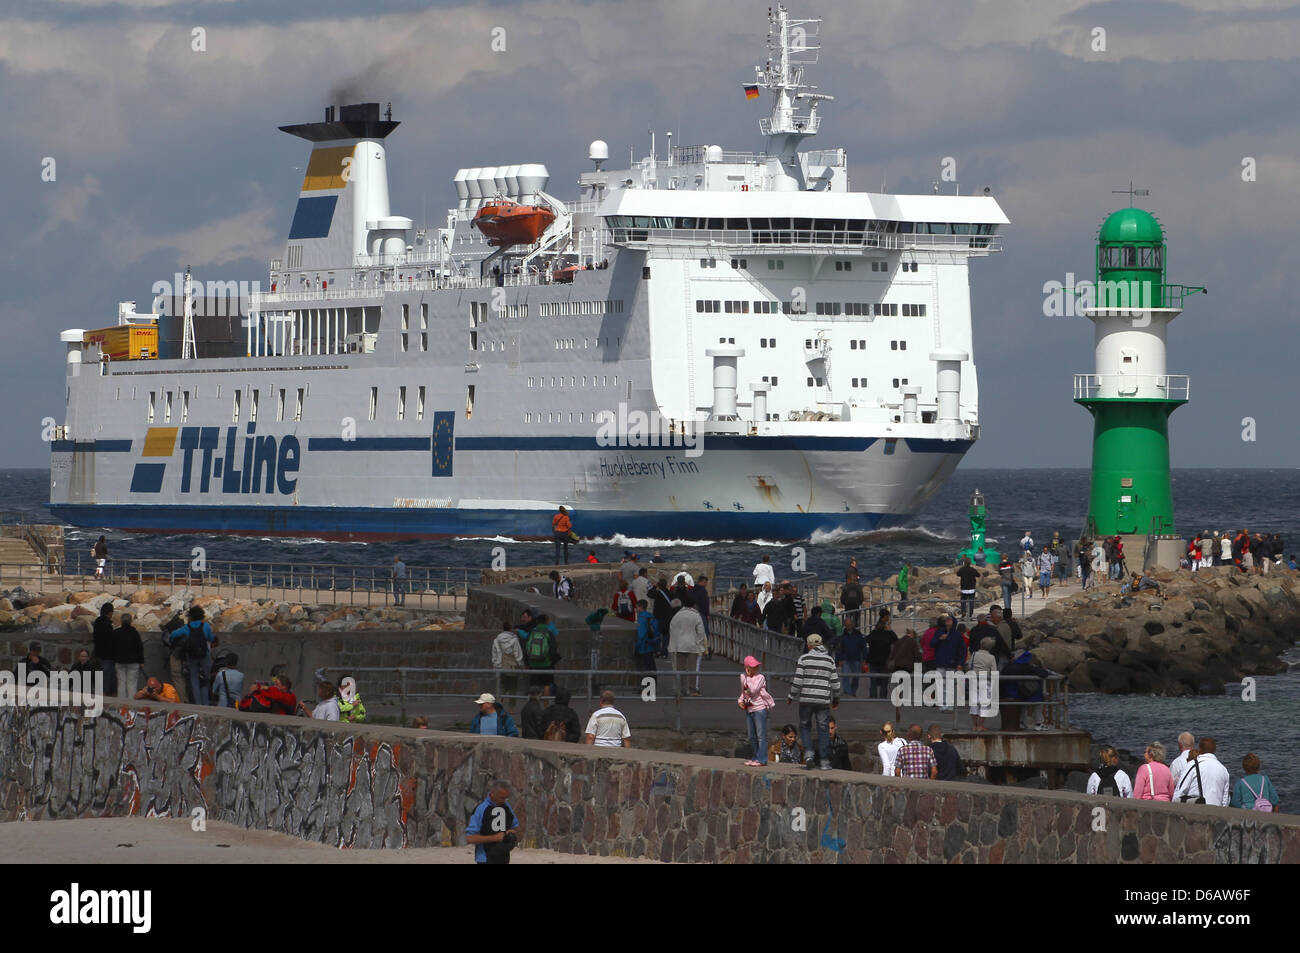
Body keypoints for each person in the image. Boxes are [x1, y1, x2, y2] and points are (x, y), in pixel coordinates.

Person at [787, 632, 840, 770]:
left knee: (805, 726)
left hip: (806, 700)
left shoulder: (803, 659)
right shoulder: (829, 660)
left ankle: (809, 755)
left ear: (809, 645)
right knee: (823, 729)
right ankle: (824, 761)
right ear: (821, 644)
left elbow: (798, 681)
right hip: (823, 701)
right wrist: (836, 699)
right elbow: (835, 683)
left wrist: (791, 696)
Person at [465, 780, 522, 865]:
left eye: (506, 798)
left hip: (504, 858)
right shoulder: (481, 809)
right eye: (501, 798)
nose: (504, 801)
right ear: (492, 794)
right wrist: (495, 837)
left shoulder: (506, 807)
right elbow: (470, 838)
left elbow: (516, 826)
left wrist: (512, 832)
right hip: (485, 859)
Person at [169, 605, 215, 706]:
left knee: (194, 680)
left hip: (192, 656)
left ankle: (197, 704)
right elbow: (211, 638)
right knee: (205, 680)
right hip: (204, 656)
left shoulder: (187, 627)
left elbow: (173, 635)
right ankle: (205, 703)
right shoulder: (205, 626)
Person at [738, 656, 775, 766]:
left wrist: (748, 678)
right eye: (753, 666)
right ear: (746, 667)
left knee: (761, 736)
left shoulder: (760, 677)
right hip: (749, 708)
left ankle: (762, 759)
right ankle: (755, 757)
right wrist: (740, 700)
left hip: (759, 708)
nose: (756, 668)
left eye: (756, 666)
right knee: (752, 736)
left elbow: (753, 691)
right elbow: (744, 692)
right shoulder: (743, 677)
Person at [1172, 737, 1231, 806]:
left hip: (1196, 809)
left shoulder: (1193, 765)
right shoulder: (1223, 769)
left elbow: (1180, 790)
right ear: (1214, 750)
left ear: (1200, 749)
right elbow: (1226, 799)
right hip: (1216, 811)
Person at [668, 598, 707, 696]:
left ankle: (679, 690)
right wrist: (698, 643)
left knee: (679, 669)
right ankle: (692, 690)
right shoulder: (696, 616)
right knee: (692, 669)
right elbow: (701, 632)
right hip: (692, 646)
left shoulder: (677, 615)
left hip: (679, 645)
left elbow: (672, 629)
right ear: (694, 605)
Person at [522, 613, 560, 686]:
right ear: (546, 622)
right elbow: (553, 649)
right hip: (546, 664)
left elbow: (526, 648)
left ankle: (534, 697)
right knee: (547, 685)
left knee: (534, 685)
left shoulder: (531, 633)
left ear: (537, 622)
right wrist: (552, 661)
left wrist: (527, 663)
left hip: (533, 664)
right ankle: (545, 697)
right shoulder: (548, 633)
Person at [112, 612, 144, 700]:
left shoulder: (116, 632)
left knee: (121, 682)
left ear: (121, 621)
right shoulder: (135, 633)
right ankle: (131, 703)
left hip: (119, 661)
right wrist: (141, 661)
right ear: (131, 621)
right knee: (132, 683)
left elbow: (112, 647)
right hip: (133, 661)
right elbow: (139, 648)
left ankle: (121, 703)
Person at [864, 615, 897, 699]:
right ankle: (882, 697)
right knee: (884, 681)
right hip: (884, 661)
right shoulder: (888, 635)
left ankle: (873, 696)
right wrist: (889, 630)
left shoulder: (873, 634)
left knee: (873, 681)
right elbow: (896, 639)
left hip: (873, 661)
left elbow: (866, 639)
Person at [969, 637, 998, 730]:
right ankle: (980, 725)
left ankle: (974, 725)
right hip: (985, 682)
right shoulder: (991, 657)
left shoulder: (974, 654)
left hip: (973, 680)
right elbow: (994, 671)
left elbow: (970, 665)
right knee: (984, 704)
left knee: (974, 703)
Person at [491, 618, 524, 697]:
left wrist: (495, 664)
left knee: (501, 688)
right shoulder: (514, 640)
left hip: (500, 667)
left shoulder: (496, 640)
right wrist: (521, 665)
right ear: (510, 629)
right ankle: (511, 707)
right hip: (512, 667)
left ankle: (500, 704)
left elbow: (494, 654)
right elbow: (518, 655)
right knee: (513, 689)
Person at [92, 602, 118, 696]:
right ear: (110, 613)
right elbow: (110, 639)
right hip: (107, 654)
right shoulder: (107, 624)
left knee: (102, 674)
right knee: (108, 675)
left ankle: (103, 692)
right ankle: (106, 693)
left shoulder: (97, 621)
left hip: (99, 653)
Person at [838, 617, 866, 697]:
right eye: (846, 625)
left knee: (856, 677)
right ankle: (849, 693)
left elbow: (863, 646)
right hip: (845, 659)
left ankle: (853, 691)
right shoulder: (842, 635)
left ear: (852, 624)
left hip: (856, 659)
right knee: (845, 677)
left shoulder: (858, 634)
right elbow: (840, 648)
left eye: (849, 625)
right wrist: (840, 659)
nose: (848, 627)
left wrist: (864, 659)